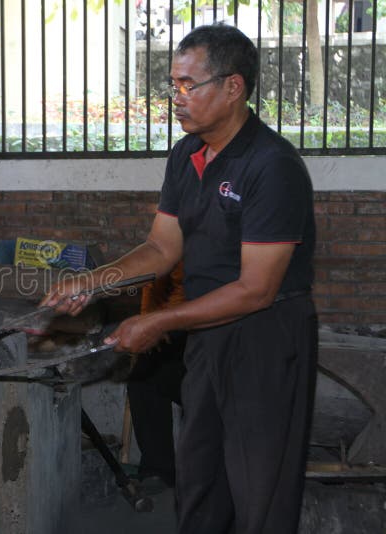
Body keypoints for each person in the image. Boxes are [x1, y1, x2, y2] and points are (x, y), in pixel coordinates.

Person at [42, 23, 317, 534]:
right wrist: (93, 281)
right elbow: (162, 249)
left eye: (189, 85)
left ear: (233, 87)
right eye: (173, 84)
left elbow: (257, 290)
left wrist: (158, 322)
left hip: (265, 339)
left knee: (260, 492)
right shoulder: (186, 155)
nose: (177, 97)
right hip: (206, 333)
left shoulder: (271, 165)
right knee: (201, 479)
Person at [126, 263, 186, 490]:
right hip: (176, 331)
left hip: (217, 336)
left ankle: (206, 472)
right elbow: (152, 291)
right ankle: (158, 470)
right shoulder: (169, 257)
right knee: (143, 377)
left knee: (201, 387)